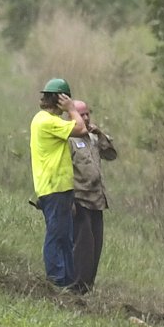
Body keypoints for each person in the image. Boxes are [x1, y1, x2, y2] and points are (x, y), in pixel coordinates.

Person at [28, 78, 86, 288]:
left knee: (65, 236)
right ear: (60, 99)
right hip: (55, 187)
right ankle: (57, 280)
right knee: (57, 235)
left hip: (57, 186)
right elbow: (81, 128)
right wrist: (72, 109)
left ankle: (67, 280)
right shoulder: (48, 121)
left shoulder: (41, 119)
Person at [66, 98, 117, 293]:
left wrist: (100, 133)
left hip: (97, 199)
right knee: (83, 244)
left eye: (88, 114)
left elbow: (111, 154)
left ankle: (88, 286)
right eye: (82, 114)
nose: (86, 118)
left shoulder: (93, 138)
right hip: (79, 198)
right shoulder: (69, 139)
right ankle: (76, 285)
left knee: (97, 244)